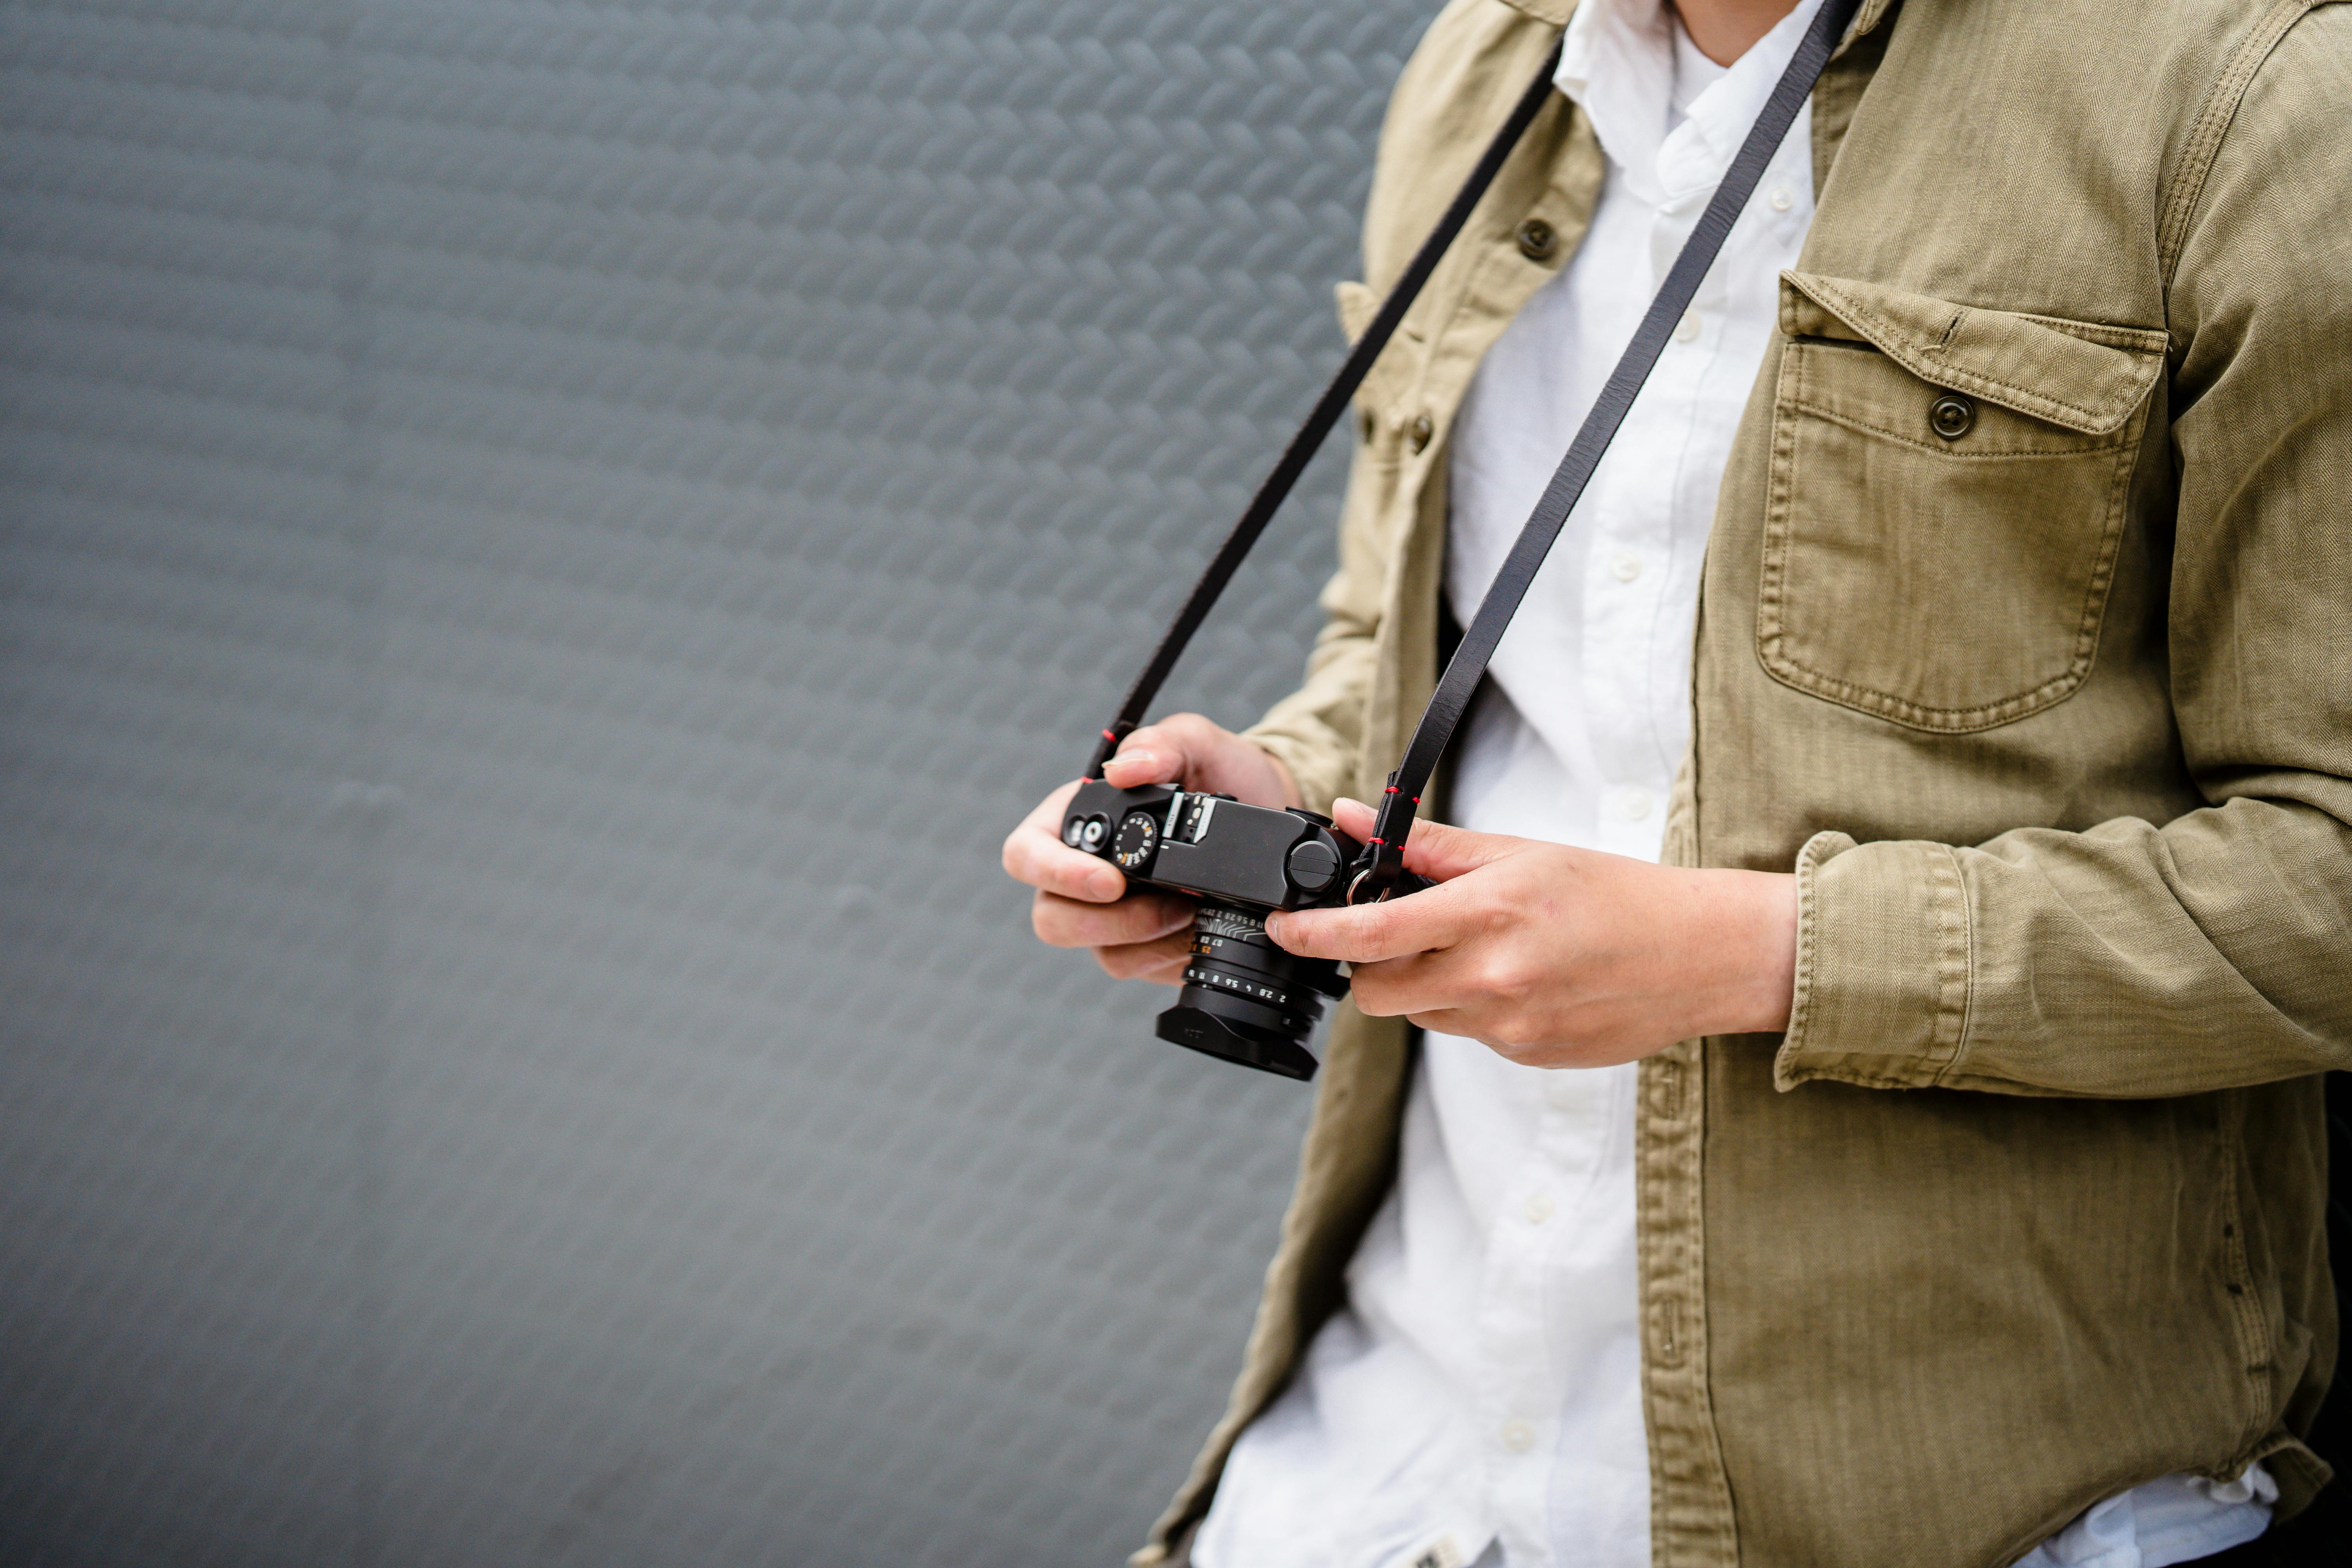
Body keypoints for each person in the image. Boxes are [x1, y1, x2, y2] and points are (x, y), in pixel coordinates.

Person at [1001, 0, 2351, 1563]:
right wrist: (1274, 795)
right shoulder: (1485, 65)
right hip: (1383, 1464)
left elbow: (2327, 867)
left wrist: (1756, 956)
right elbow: (1420, 645)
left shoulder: (2254, 86)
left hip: (1963, 1508)